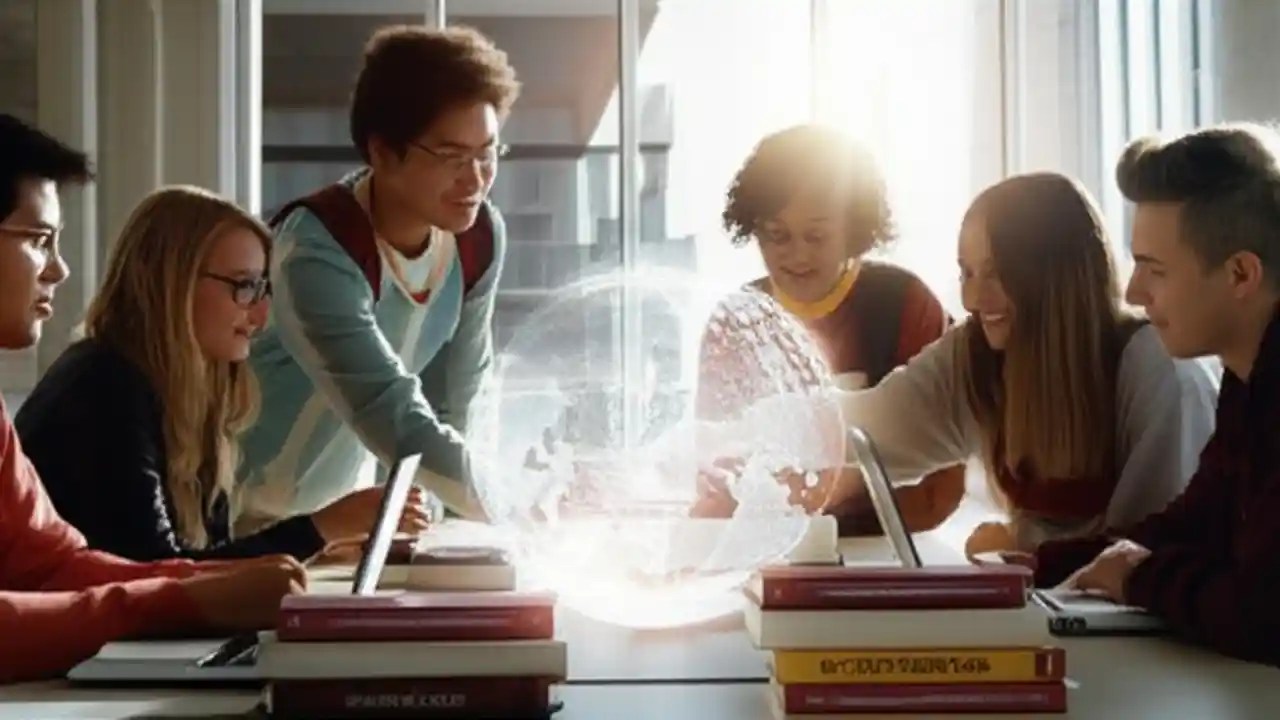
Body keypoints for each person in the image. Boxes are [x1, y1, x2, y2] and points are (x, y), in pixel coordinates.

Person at [0, 113, 303, 684]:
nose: (60, 269)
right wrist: (176, 601)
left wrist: (200, 585)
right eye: (40, 241)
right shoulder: (102, 383)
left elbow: (50, 565)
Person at [15, 186, 428, 562]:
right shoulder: (102, 385)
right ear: (171, 282)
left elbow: (201, 558)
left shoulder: (187, 389)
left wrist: (320, 548)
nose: (262, 315)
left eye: (264, 289)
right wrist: (318, 529)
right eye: (243, 286)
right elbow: (154, 573)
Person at [823, 172, 1217, 556]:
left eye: (996, 273)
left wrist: (1024, 545)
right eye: (967, 273)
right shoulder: (976, 355)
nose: (972, 298)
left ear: (1056, 275)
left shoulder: (1161, 371)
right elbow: (868, 428)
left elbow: (1149, 550)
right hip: (1054, 607)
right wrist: (770, 407)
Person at [236, 25, 520, 532]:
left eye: (488, 153)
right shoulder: (318, 249)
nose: (475, 179)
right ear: (383, 153)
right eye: (453, 157)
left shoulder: (478, 238)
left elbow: (458, 394)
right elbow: (387, 410)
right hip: (236, 520)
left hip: (341, 528)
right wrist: (521, 506)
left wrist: (461, 532)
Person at [1029, 124, 1280, 666]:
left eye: (1154, 269)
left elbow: (1265, 615)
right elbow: (1196, 523)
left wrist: (1139, 576)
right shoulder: (1249, 378)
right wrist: (1030, 567)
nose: (1132, 292)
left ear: (1241, 273)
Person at [696, 125, 965, 534]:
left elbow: (943, 478)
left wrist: (833, 493)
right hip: (765, 547)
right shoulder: (736, 322)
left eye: (816, 236)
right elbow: (714, 463)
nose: (797, 254)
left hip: (887, 547)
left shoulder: (906, 304)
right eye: (777, 235)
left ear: (854, 230)